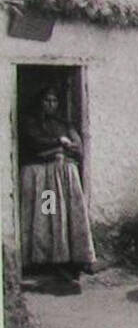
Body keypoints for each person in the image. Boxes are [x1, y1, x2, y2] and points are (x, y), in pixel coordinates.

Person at [19, 85, 96, 287]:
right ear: (40, 102)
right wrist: (57, 142)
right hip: (41, 177)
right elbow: (34, 142)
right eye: (47, 100)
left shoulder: (63, 123)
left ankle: (70, 259)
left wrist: (68, 145)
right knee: (46, 217)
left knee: (66, 217)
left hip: (62, 176)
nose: (51, 104)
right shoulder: (31, 122)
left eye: (54, 101)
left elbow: (78, 146)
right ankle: (43, 261)